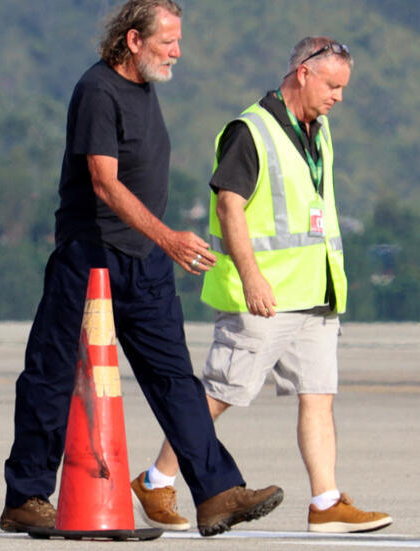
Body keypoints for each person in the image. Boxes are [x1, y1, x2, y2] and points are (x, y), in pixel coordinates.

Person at [0, 0, 283, 537]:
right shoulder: (97, 91)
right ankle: (26, 495)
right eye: (167, 42)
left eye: (178, 41)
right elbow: (104, 183)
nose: (177, 51)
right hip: (91, 257)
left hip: (144, 263)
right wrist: (169, 238)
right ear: (133, 40)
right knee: (51, 376)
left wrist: (158, 247)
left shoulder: (144, 88)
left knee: (174, 377)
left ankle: (217, 493)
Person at [131, 37, 393, 534]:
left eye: (343, 88)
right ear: (303, 74)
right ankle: (156, 479)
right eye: (332, 86)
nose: (339, 97)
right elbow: (230, 205)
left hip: (314, 292)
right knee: (221, 391)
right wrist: (252, 277)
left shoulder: (320, 130)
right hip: (265, 296)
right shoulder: (252, 131)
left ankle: (326, 501)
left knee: (318, 393)